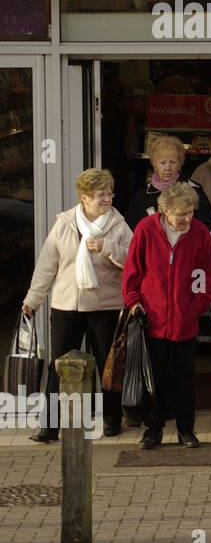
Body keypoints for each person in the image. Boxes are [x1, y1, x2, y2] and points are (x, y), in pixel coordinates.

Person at [21, 169, 134, 441]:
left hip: (106, 307)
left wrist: (107, 248)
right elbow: (47, 265)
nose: (107, 199)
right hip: (66, 307)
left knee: (109, 366)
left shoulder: (119, 225)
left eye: (110, 193)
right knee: (58, 367)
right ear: (83, 197)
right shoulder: (64, 224)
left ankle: (111, 419)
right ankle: (49, 426)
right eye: (100, 194)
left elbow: (133, 262)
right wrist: (32, 300)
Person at [121, 182, 211, 450]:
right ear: (164, 211)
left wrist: (196, 306)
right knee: (155, 380)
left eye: (190, 212)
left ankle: (187, 430)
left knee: (185, 378)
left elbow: (208, 276)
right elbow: (132, 270)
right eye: (181, 214)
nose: (187, 218)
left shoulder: (200, 234)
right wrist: (133, 301)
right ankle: (153, 430)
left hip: (186, 322)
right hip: (152, 321)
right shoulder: (146, 229)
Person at [125, 134, 211, 230]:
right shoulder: (142, 196)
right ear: (154, 165)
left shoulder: (194, 191)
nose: (168, 168)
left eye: (173, 162)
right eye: (163, 163)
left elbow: (208, 229)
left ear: (180, 164)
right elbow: (130, 232)